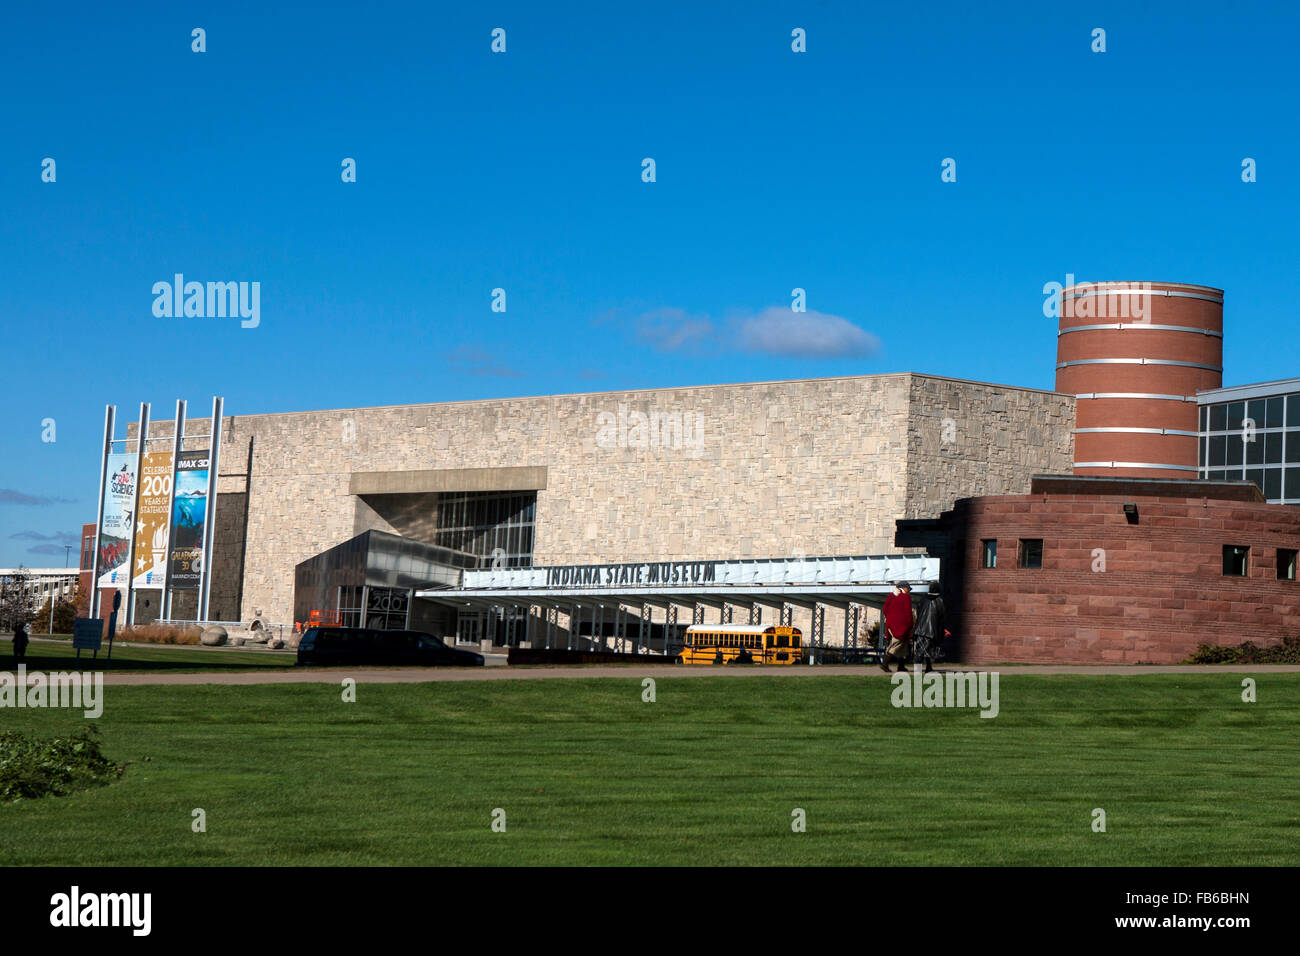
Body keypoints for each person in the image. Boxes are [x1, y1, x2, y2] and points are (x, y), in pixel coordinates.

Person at [879, 582, 915, 673]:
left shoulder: (891, 596)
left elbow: (885, 610)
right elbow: (908, 613)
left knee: (902, 646)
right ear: (903, 588)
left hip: (891, 625)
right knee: (896, 645)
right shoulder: (906, 597)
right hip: (901, 626)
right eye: (908, 589)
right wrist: (910, 624)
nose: (909, 591)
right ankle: (885, 664)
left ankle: (901, 666)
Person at [912, 593, 947, 674]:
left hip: (921, 629)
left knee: (921, 650)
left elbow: (918, 612)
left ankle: (923, 668)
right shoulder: (939, 601)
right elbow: (942, 617)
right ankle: (924, 668)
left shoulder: (923, 600)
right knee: (926, 650)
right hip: (931, 630)